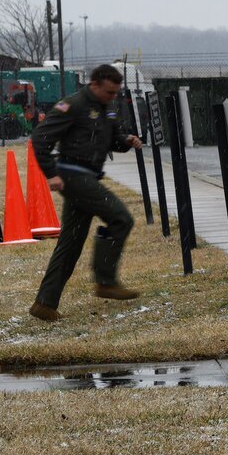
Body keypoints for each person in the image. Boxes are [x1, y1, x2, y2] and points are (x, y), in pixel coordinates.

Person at [27, 63, 144, 322]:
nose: (112, 97)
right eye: (109, 92)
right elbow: (41, 137)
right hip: (72, 175)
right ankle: (105, 280)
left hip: (88, 176)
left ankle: (44, 304)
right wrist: (51, 173)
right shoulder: (74, 104)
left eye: (115, 93)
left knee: (70, 243)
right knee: (120, 218)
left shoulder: (105, 108)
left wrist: (126, 140)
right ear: (94, 85)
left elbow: (113, 138)